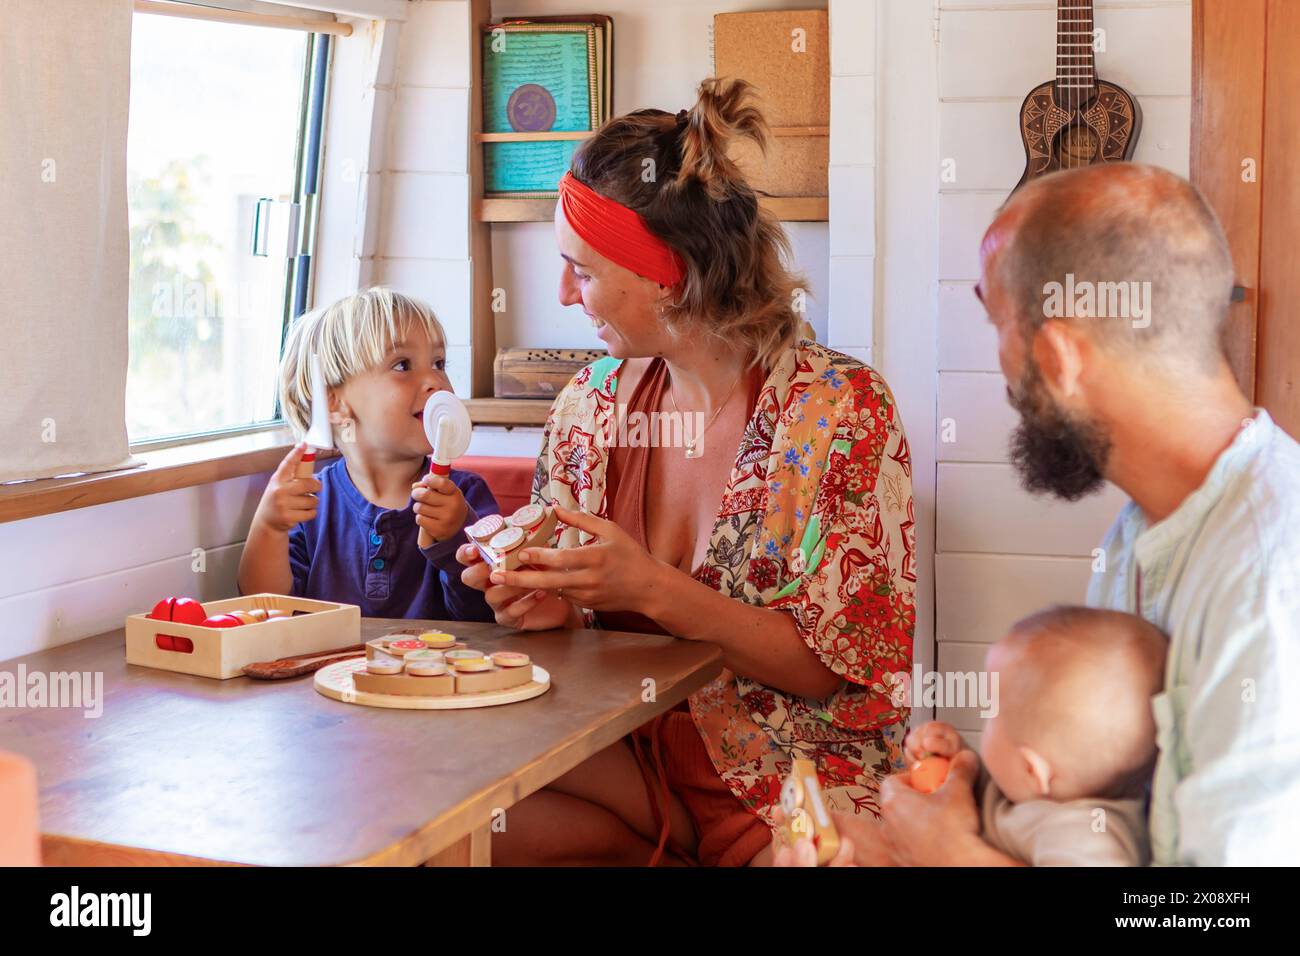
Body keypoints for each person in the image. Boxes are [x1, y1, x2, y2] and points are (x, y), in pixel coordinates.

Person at [457, 79, 918, 866]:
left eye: (584, 271)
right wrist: (542, 607)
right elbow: (576, 632)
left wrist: (652, 590)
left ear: (666, 274)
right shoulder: (589, 405)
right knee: (466, 830)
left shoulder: (838, 412)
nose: (564, 294)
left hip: (789, 777)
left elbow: (843, 678)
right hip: (626, 756)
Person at [872, 164, 1300, 866]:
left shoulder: (1268, 578)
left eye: (998, 326)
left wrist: (952, 857)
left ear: (1061, 356)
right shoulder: (1143, 532)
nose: (1003, 373)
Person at [239, 287, 496, 622]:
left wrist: (456, 537)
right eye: (403, 365)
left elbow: (487, 617)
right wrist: (269, 527)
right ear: (334, 402)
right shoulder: (311, 502)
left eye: (439, 363)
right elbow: (267, 610)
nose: (435, 380)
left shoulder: (468, 498)